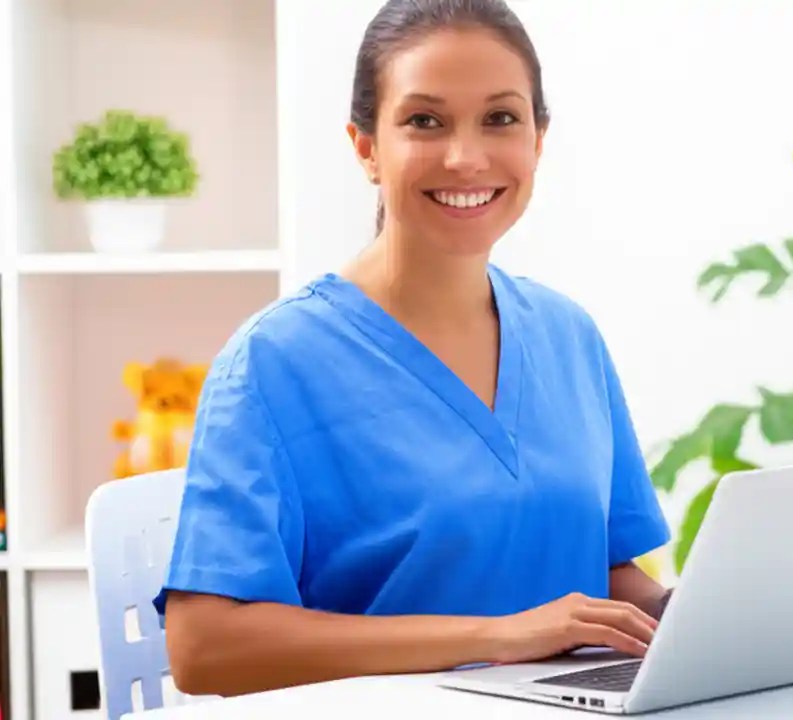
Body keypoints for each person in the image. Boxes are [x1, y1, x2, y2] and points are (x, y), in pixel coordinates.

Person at [157, 0, 673, 698]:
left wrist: (715, 616)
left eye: (501, 118)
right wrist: (499, 635)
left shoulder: (567, 334)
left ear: (538, 140)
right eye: (424, 121)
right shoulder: (274, 362)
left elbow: (605, 576)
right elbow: (204, 647)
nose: (466, 157)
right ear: (367, 147)